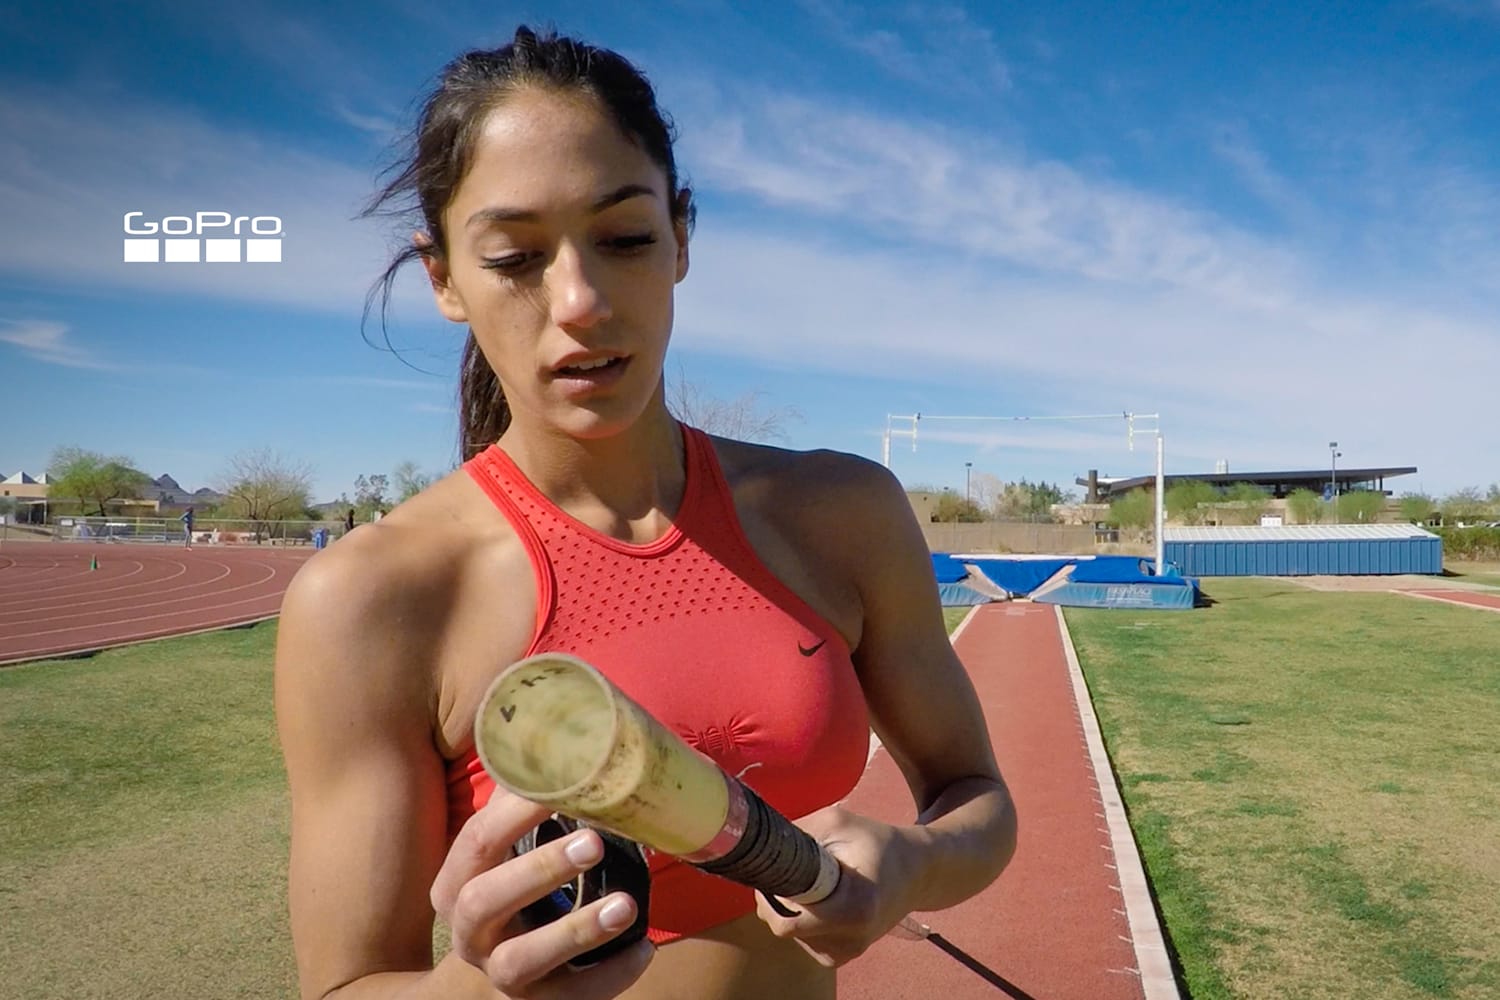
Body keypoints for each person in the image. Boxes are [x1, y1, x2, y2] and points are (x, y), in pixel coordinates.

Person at [274, 25, 1016, 1000]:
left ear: (681, 240)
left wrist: (910, 864)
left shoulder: (843, 511)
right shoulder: (374, 596)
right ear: (445, 278)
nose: (580, 299)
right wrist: (486, 989)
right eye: (514, 256)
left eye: (625, 238)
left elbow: (980, 801)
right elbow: (345, 985)